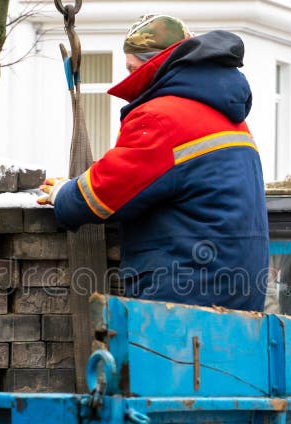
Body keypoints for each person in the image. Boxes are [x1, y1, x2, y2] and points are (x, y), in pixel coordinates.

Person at [39, 14, 268, 312]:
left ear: (152, 66)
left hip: (186, 294)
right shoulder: (228, 118)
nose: (129, 77)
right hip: (239, 289)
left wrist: (63, 194)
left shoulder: (161, 118)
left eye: (131, 68)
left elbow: (101, 194)